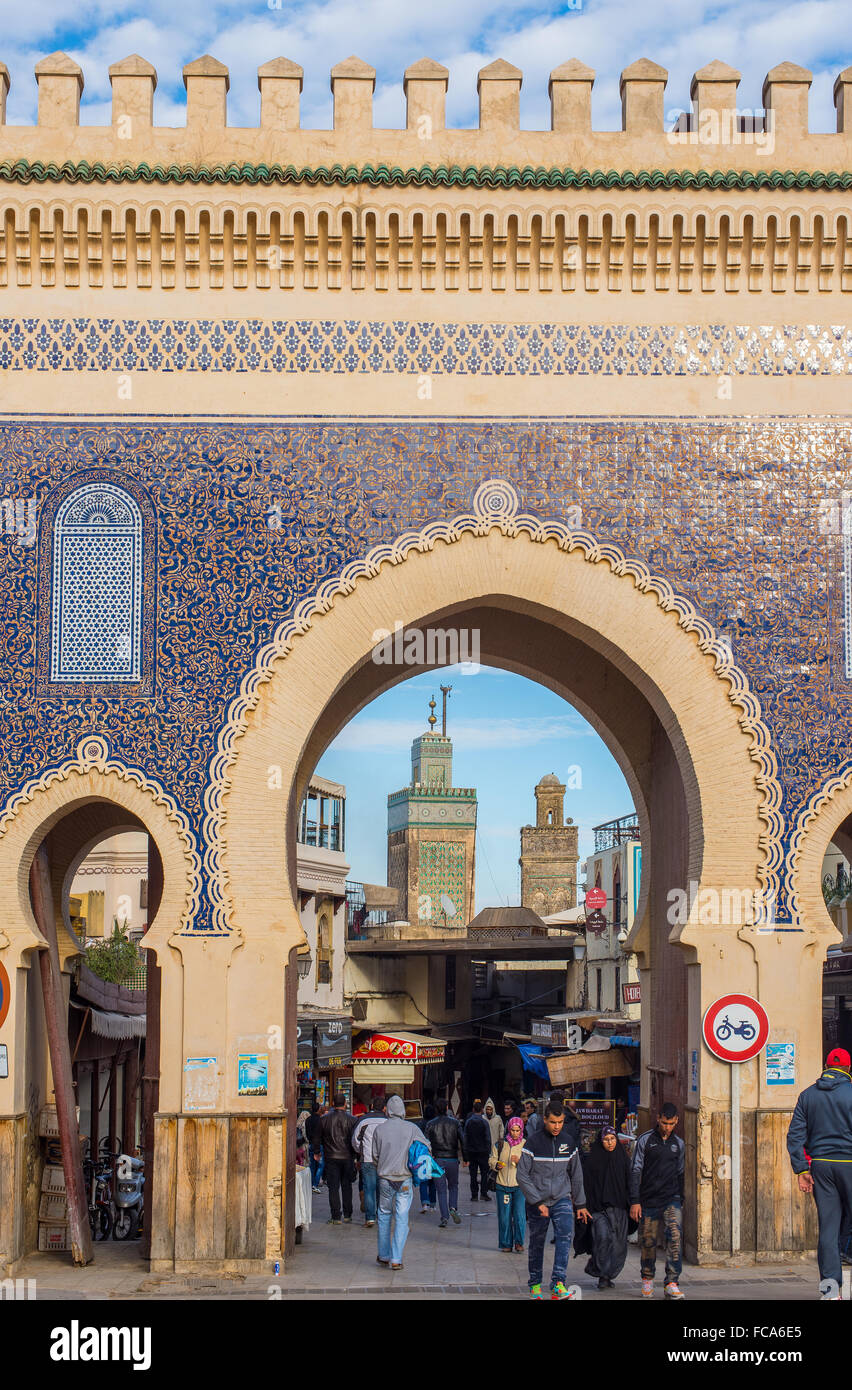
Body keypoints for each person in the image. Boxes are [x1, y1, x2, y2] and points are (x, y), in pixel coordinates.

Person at [787, 1047, 852, 1299]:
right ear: (848, 1069)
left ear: (826, 1066)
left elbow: (795, 1135)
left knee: (828, 1228)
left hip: (821, 1166)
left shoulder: (807, 1095)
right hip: (849, 1162)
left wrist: (802, 1168)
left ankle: (830, 1291)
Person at [516, 1096, 590, 1300]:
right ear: (545, 1120)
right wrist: (537, 1201)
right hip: (537, 1201)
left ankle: (558, 1282)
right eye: (553, 1122)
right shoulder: (533, 1142)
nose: (557, 1127)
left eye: (560, 1122)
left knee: (565, 1236)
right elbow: (522, 1174)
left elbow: (576, 1174)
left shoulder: (568, 1141)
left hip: (561, 1198)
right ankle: (535, 1284)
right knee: (537, 1242)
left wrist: (581, 1203)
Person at [630, 1101, 685, 1299]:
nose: (667, 1127)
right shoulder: (645, 1140)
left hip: (671, 1198)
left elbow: (680, 1172)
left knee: (675, 1237)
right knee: (648, 1241)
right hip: (648, 1199)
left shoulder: (679, 1144)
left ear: (676, 1121)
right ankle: (647, 1278)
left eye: (671, 1124)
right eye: (664, 1123)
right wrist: (635, 1201)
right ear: (658, 1119)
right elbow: (636, 1170)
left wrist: (681, 1199)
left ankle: (672, 1281)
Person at [371, 1094, 430, 1269]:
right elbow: (426, 1147)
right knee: (402, 1217)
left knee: (383, 1215)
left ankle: (383, 1255)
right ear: (403, 1111)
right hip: (405, 1178)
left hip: (385, 1179)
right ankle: (396, 1258)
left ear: (387, 1110)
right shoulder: (412, 1128)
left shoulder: (379, 1130)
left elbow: (374, 1156)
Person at [582, 1126, 632, 1289]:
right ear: (600, 1140)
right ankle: (601, 1273)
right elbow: (587, 1185)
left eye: (612, 1139)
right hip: (598, 1209)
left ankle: (607, 1274)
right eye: (606, 1139)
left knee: (618, 1245)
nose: (610, 1143)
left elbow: (629, 1182)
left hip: (619, 1208)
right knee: (602, 1238)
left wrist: (634, 1202)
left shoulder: (623, 1159)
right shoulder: (592, 1159)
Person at [425, 1099, 464, 1227]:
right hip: (452, 1158)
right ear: (447, 1107)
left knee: (441, 1190)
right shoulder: (455, 1123)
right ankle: (453, 1207)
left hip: (437, 1159)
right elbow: (463, 1140)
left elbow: (425, 1143)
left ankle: (444, 1217)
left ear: (436, 1109)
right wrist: (467, 1158)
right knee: (453, 1186)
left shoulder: (430, 1124)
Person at [490, 1115, 527, 1252]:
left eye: (518, 1130)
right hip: (502, 1185)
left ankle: (519, 1242)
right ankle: (506, 1243)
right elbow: (492, 1159)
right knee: (504, 1217)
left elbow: (531, 1165)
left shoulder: (525, 1145)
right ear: (508, 1129)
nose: (515, 1133)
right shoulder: (500, 1144)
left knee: (519, 1216)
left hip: (519, 1186)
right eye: (513, 1130)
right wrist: (496, 1164)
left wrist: (519, 1162)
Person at [319, 1092, 356, 1225]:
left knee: (333, 1187)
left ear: (333, 1104)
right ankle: (347, 1214)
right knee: (347, 1186)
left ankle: (335, 1216)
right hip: (347, 1156)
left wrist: (317, 1152)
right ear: (345, 1104)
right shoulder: (352, 1120)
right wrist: (356, 1156)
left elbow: (318, 1138)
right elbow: (355, 1141)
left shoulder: (324, 1119)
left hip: (331, 1156)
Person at [351, 1095, 387, 1227]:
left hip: (367, 1158)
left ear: (371, 1106)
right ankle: (381, 1215)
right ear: (384, 1108)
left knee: (369, 1188)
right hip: (384, 1160)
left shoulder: (363, 1120)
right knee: (382, 1188)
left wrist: (360, 1152)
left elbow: (355, 1140)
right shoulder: (388, 1121)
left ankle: (370, 1217)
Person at [463, 1100, 493, 1201]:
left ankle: (474, 1194)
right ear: (482, 1110)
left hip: (472, 1151)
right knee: (484, 1174)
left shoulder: (468, 1122)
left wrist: (465, 1153)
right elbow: (488, 1138)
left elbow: (465, 1138)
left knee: (473, 1174)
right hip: (483, 1151)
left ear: (473, 1109)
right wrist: (489, 1151)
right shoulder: (484, 1122)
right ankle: (484, 1193)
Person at [306, 1102, 325, 1193]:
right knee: (320, 1166)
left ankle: (310, 1184)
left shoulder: (308, 1120)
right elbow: (319, 1135)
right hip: (318, 1145)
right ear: (318, 1109)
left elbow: (308, 1134)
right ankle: (314, 1184)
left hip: (311, 1144)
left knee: (312, 1166)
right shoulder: (320, 1120)